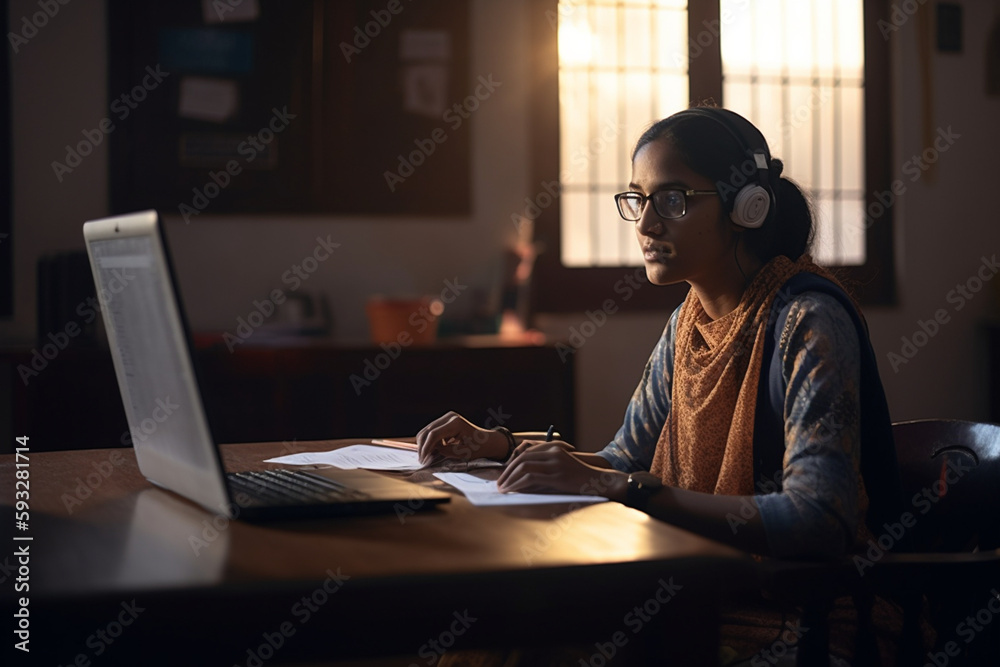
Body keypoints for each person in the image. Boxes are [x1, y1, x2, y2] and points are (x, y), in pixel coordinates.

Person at [416, 107, 907, 665]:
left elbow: (819, 520)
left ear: (747, 206)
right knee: (492, 635)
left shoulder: (808, 321)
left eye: (672, 200)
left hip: (805, 620)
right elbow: (621, 458)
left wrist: (631, 489)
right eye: (638, 199)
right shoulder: (687, 322)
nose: (647, 224)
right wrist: (498, 445)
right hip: (693, 597)